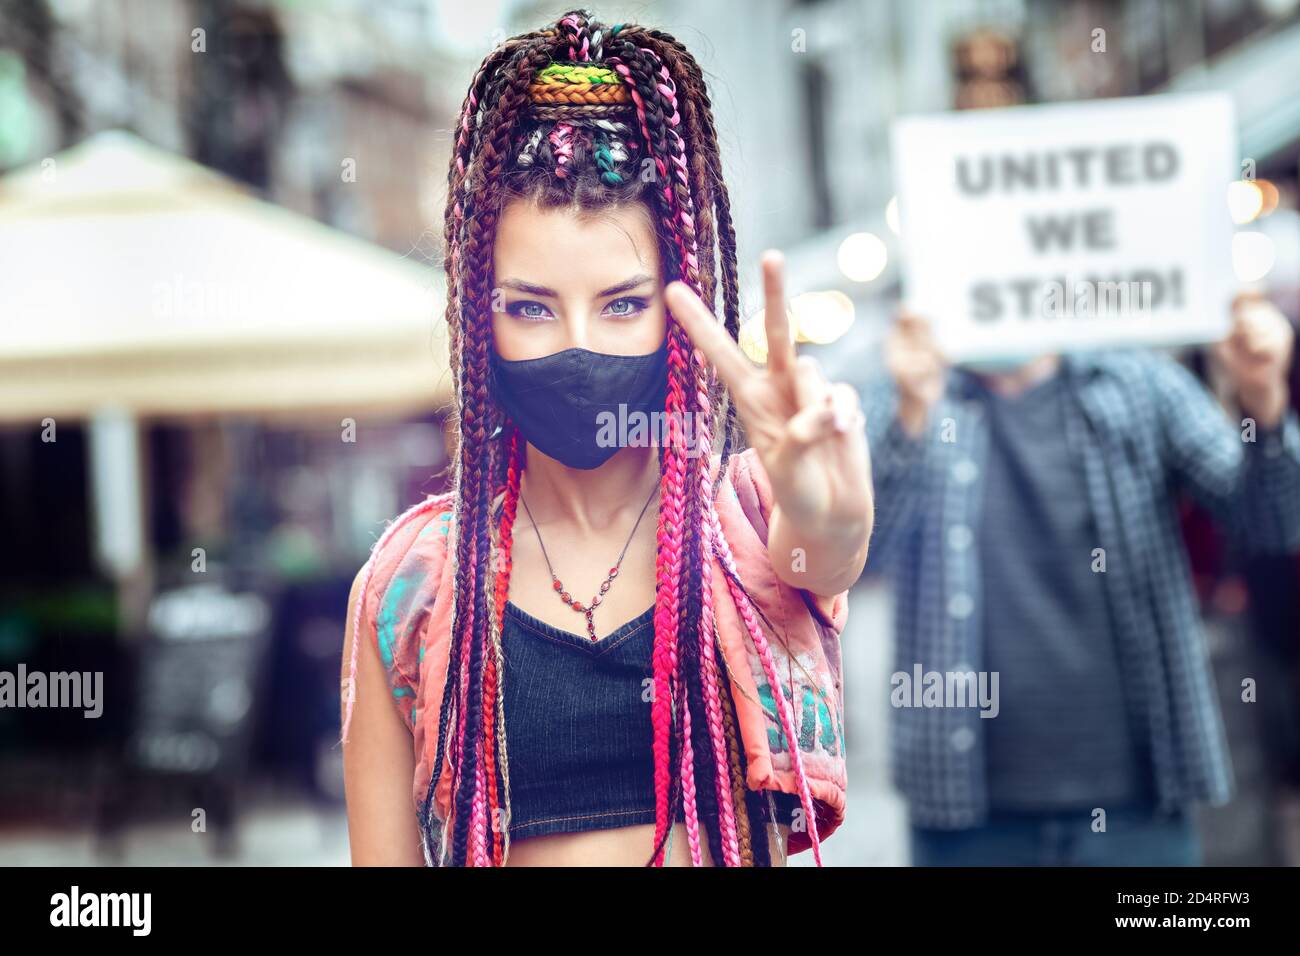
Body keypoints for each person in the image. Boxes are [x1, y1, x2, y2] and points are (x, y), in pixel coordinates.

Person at [338, 10, 872, 867]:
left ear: (677, 305)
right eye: (531, 307)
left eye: (622, 304)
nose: (576, 342)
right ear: (482, 321)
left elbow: (823, 553)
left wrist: (827, 509)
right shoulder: (412, 589)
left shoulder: (745, 528)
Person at [866, 293, 1299, 866]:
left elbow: (1273, 521)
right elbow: (857, 562)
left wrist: (1263, 403)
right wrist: (908, 421)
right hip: (966, 817)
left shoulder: (1140, 384)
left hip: (1138, 810)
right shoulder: (901, 398)